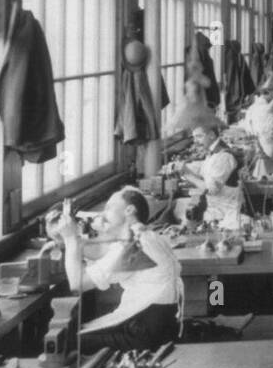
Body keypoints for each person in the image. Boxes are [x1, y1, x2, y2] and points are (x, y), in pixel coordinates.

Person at [52, 189, 182, 352]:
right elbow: (102, 251)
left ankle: (218, 304)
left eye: (109, 207)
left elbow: (77, 284)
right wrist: (65, 239)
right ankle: (218, 307)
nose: (103, 213)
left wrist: (70, 239)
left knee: (64, 343)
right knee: (78, 332)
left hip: (143, 330)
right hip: (159, 323)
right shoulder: (146, 236)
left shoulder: (133, 245)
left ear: (129, 210)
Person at [182, 121, 244, 224]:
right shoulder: (214, 152)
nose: (195, 141)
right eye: (194, 137)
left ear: (211, 135)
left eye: (199, 137)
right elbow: (204, 168)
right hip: (215, 207)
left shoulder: (224, 157)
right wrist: (184, 167)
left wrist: (186, 174)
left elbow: (211, 189)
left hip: (225, 213)